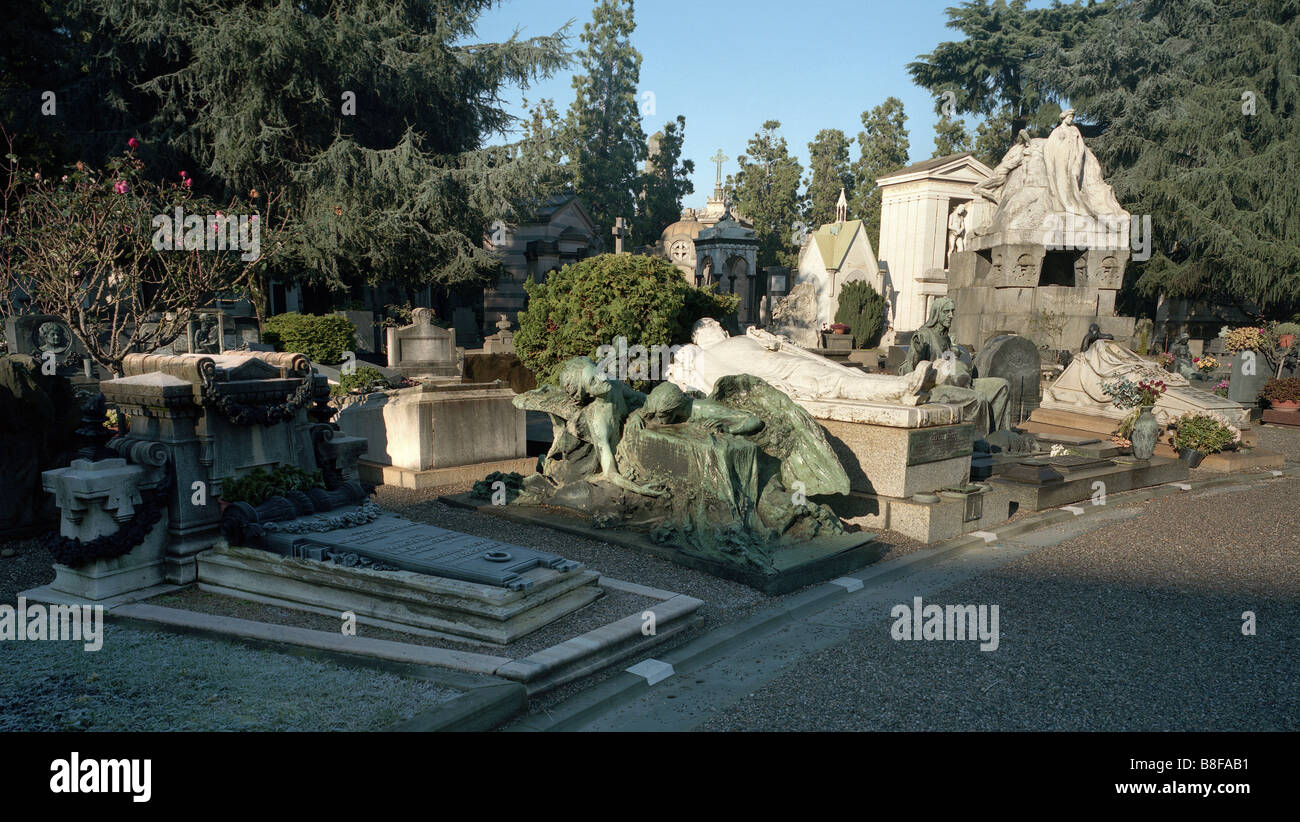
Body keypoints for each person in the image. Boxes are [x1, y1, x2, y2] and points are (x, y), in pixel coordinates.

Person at [900, 297, 1011, 436]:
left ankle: (999, 435)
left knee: (1002, 385)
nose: (951, 315)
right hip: (934, 388)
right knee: (978, 398)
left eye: (952, 311)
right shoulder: (923, 336)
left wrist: (954, 354)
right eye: (946, 312)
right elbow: (906, 370)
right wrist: (916, 351)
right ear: (937, 314)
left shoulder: (945, 337)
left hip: (957, 381)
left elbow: (950, 368)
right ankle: (978, 441)